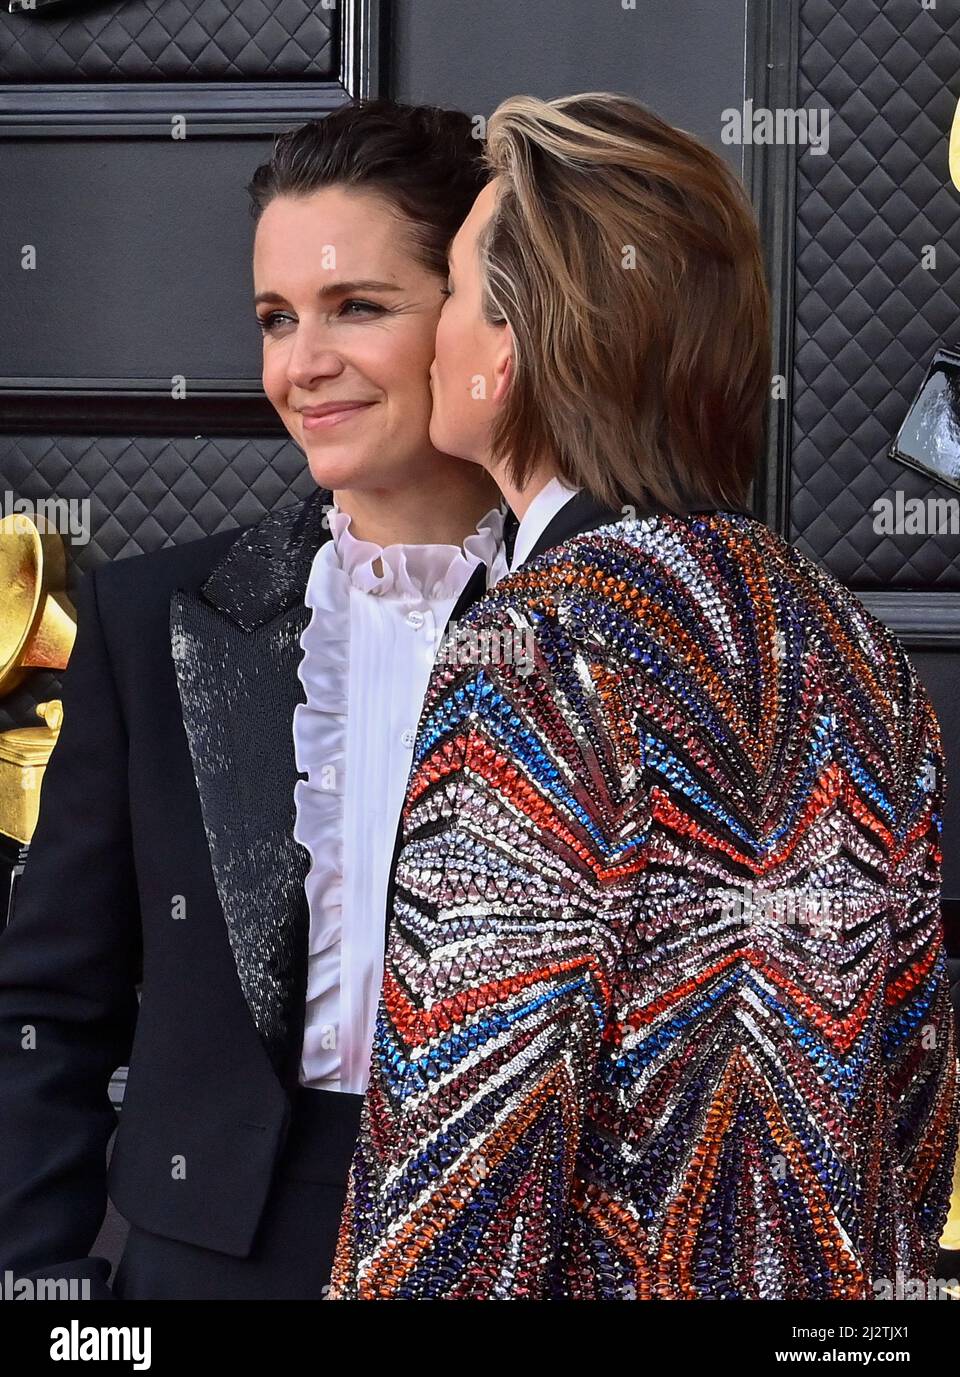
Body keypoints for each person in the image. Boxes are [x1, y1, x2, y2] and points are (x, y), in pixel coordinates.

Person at [329, 91, 960, 1299]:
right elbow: (917, 1103)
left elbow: (461, 1163)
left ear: (510, 351)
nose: (437, 331)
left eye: (455, 290)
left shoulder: (538, 652)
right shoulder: (859, 652)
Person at [0, 99, 504, 1300]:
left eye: (358, 308)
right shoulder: (155, 619)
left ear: (482, 316)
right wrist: (40, 1287)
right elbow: (48, 1008)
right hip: (207, 1267)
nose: (300, 363)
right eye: (276, 319)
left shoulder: (615, 619)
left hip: (517, 1249)